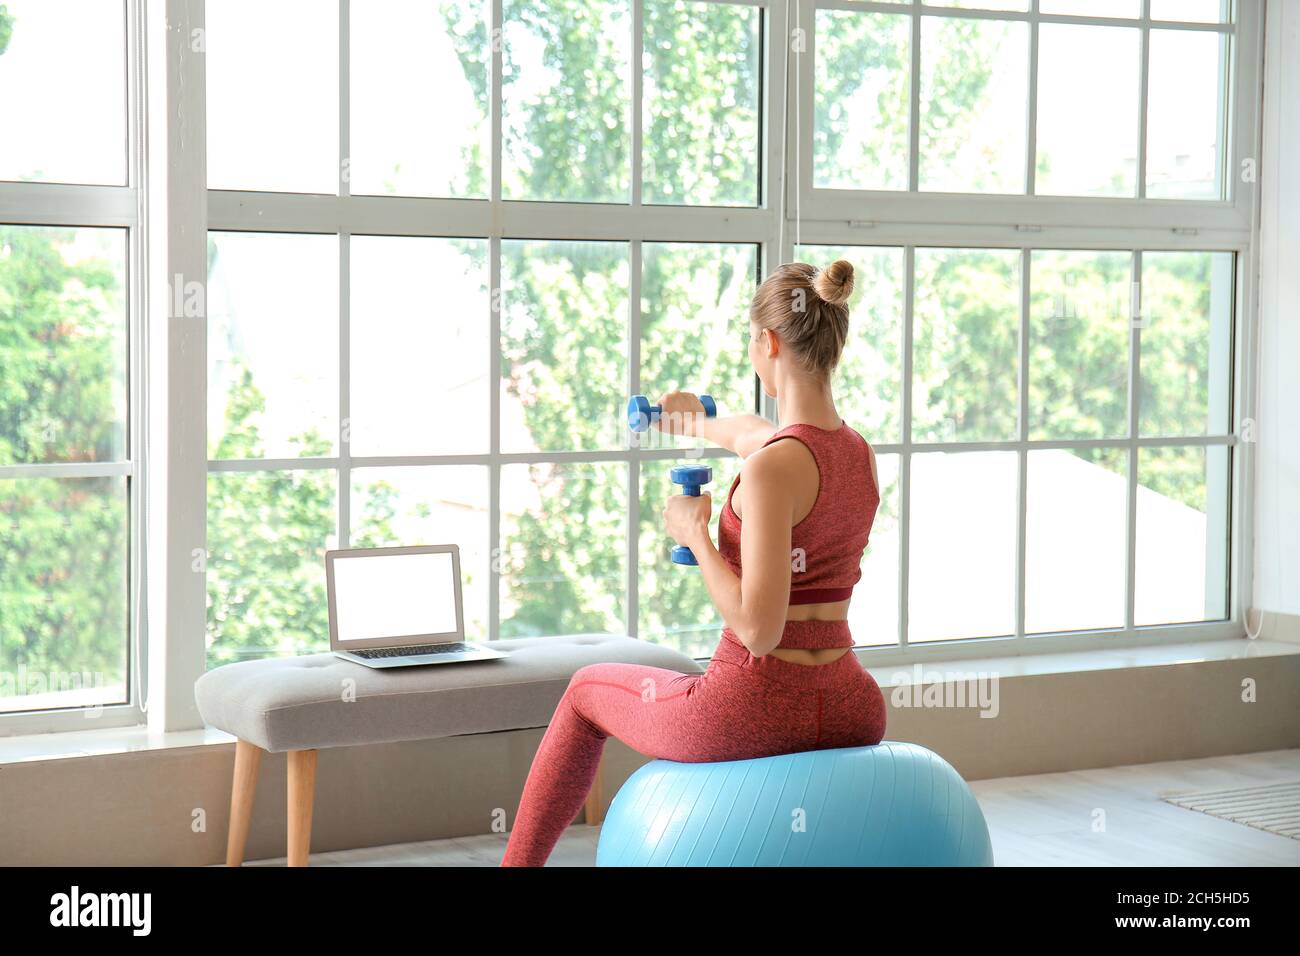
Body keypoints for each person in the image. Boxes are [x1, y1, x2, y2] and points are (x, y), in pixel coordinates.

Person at [499, 259, 887, 867]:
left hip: (753, 706)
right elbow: (756, 433)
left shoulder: (769, 471)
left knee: (582, 693)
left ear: (768, 342)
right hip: (848, 703)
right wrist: (686, 420)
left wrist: (697, 535)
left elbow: (760, 631)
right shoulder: (858, 454)